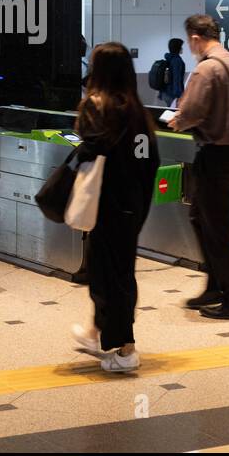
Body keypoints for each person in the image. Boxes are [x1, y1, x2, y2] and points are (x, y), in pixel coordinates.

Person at [69, 42, 160, 373]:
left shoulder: (98, 106)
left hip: (107, 205)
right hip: (132, 204)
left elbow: (88, 141)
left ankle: (126, 350)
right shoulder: (138, 111)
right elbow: (148, 161)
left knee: (110, 276)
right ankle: (100, 333)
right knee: (117, 272)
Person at [167, 14, 229, 320]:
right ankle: (216, 285)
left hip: (214, 154)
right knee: (202, 218)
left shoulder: (207, 68)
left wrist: (177, 120)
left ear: (195, 38)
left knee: (219, 230)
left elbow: (189, 111)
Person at [157, 38, 187, 107]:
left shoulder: (169, 58)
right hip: (172, 94)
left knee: (170, 113)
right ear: (178, 48)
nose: (182, 48)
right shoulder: (177, 61)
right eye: (181, 46)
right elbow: (177, 79)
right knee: (175, 115)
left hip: (165, 92)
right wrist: (179, 96)